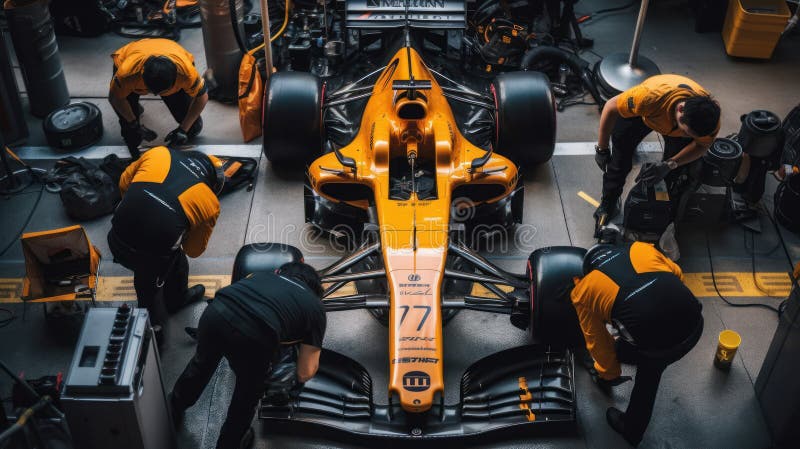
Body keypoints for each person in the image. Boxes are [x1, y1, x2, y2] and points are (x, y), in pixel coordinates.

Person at [169, 262, 327, 449]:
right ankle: (229, 444)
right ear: (315, 290)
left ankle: (173, 407)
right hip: (255, 337)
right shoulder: (315, 307)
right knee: (246, 396)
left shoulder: (260, 274)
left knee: (201, 365)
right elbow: (305, 371)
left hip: (215, 313)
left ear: (279, 272)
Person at [570, 241, 704, 446]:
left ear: (589, 270)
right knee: (645, 335)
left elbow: (596, 340)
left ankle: (631, 430)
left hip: (664, 347)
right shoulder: (641, 249)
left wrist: (608, 374)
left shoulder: (585, 290)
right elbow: (677, 275)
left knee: (649, 375)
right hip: (696, 324)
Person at [107, 146, 223, 331]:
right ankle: (161, 321)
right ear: (212, 182)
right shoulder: (209, 200)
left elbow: (123, 183)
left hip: (115, 239)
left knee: (154, 260)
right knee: (167, 267)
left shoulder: (159, 153)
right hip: (148, 259)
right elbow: (194, 250)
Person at [594, 74, 721, 219]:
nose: (685, 137)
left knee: (673, 172)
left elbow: (701, 146)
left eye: (691, 136)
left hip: (668, 119)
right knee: (619, 162)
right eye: (685, 132)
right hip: (648, 114)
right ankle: (609, 202)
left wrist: (670, 164)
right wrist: (602, 149)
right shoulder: (649, 98)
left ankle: (659, 205)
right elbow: (610, 107)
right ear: (680, 109)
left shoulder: (710, 122)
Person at [109, 38, 209, 159]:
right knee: (131, 134)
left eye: (161, 92)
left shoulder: (187, 74)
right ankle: (133, 109)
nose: (155, 95)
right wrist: (134, 124)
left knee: (193, 128)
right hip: (131, 57)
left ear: (176, 81)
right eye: (151, 90)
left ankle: (134, 107)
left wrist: (183, 130)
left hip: (171, 49)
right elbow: (115, 99)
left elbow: (202, 97)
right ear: (142, 75)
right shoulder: (126, 74)